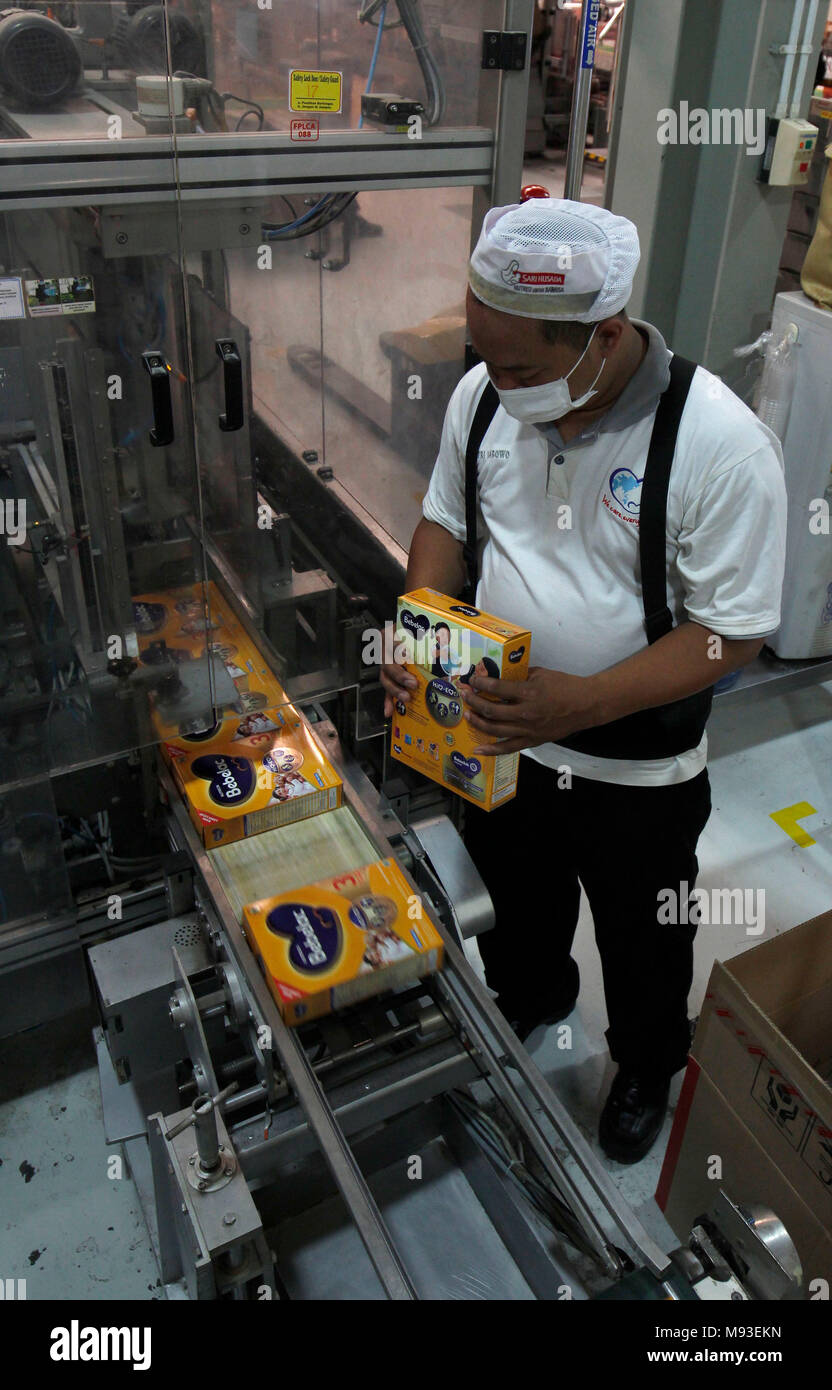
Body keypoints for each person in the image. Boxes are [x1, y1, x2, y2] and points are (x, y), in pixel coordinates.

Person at [380, 198, 787, 1164]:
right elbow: (444, 519)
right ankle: (531, 997)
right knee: (517, 909)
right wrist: (418, 625)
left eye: (519, 365)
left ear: (603, 336)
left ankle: (647, 1063)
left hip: (637, 771)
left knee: (646, 940)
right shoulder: (486, 397)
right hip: (497, 739)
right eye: (489, 356)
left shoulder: (717, 445)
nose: (497, 381)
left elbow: (735, 636)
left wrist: (584, 700)